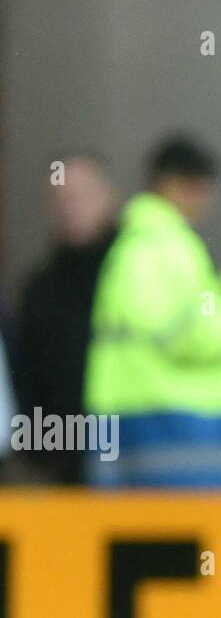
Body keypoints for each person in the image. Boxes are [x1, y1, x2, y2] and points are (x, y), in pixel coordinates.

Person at [85, 135, 221, 488]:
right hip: (180, 437)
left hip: (155, 432)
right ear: (173, 186)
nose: (206, 200)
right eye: (199, 188)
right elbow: (186, 332)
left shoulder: (143, 245)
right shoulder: (160, 247)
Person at [17, 152, 118, 482]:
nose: (71, 205)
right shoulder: (41, 290)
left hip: (137, 449)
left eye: (81, 194)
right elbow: (28, 379)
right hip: (68, 463)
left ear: (108, 196)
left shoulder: (135, 273)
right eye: (62, 197)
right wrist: (39, 453)